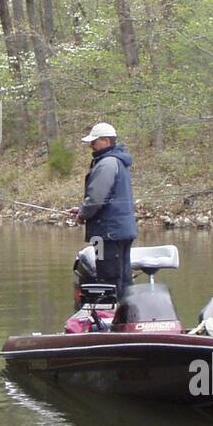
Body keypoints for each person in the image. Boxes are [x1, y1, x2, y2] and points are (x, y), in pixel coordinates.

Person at [66, 122, 137, 298]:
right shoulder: (118, 161)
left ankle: (113, 317)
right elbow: (105, 198)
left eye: (94, 141)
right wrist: (82, 208)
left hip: (107, 233)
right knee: (123, 277)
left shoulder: (107, 163)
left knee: (109, 276)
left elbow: (97, 198)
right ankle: (125, 314)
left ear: (106, 141)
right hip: (120, 230)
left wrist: (83, 214)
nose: (91, 145)